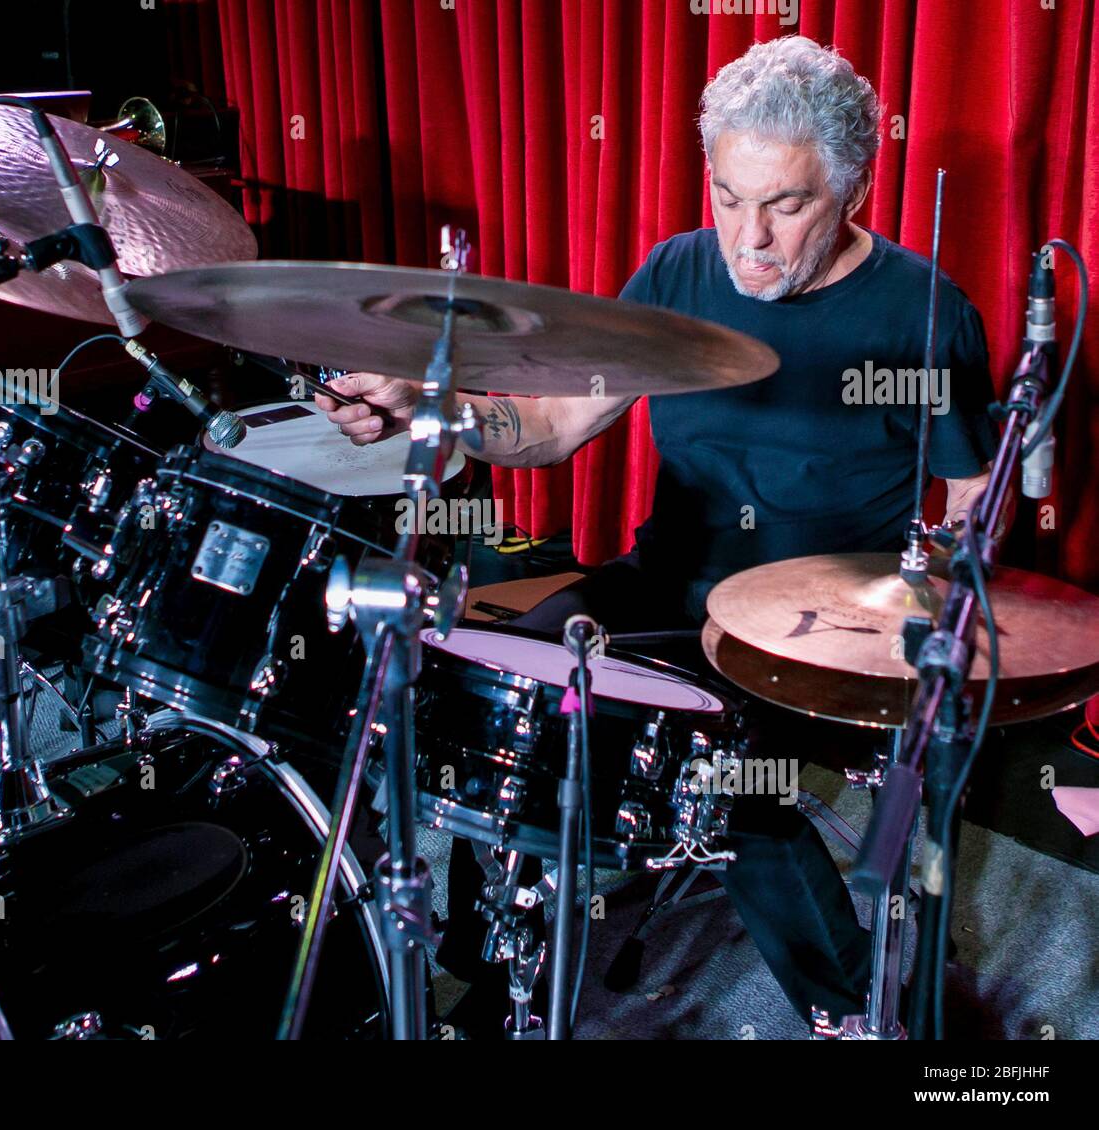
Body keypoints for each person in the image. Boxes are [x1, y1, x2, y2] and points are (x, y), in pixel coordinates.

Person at [316, 36, 1002, 1035]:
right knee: (501, 682)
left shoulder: (924, 313)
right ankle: (481, 958)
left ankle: (858, 1007)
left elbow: (974, 484)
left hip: (816, 635)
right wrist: (442, 409)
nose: (748, 238)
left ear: (852, 188)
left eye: (787, 204)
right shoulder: (677, 273)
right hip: (670, 581)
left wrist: (927, 587)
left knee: (736, 778)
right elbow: (555, 424)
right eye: (728, 195)